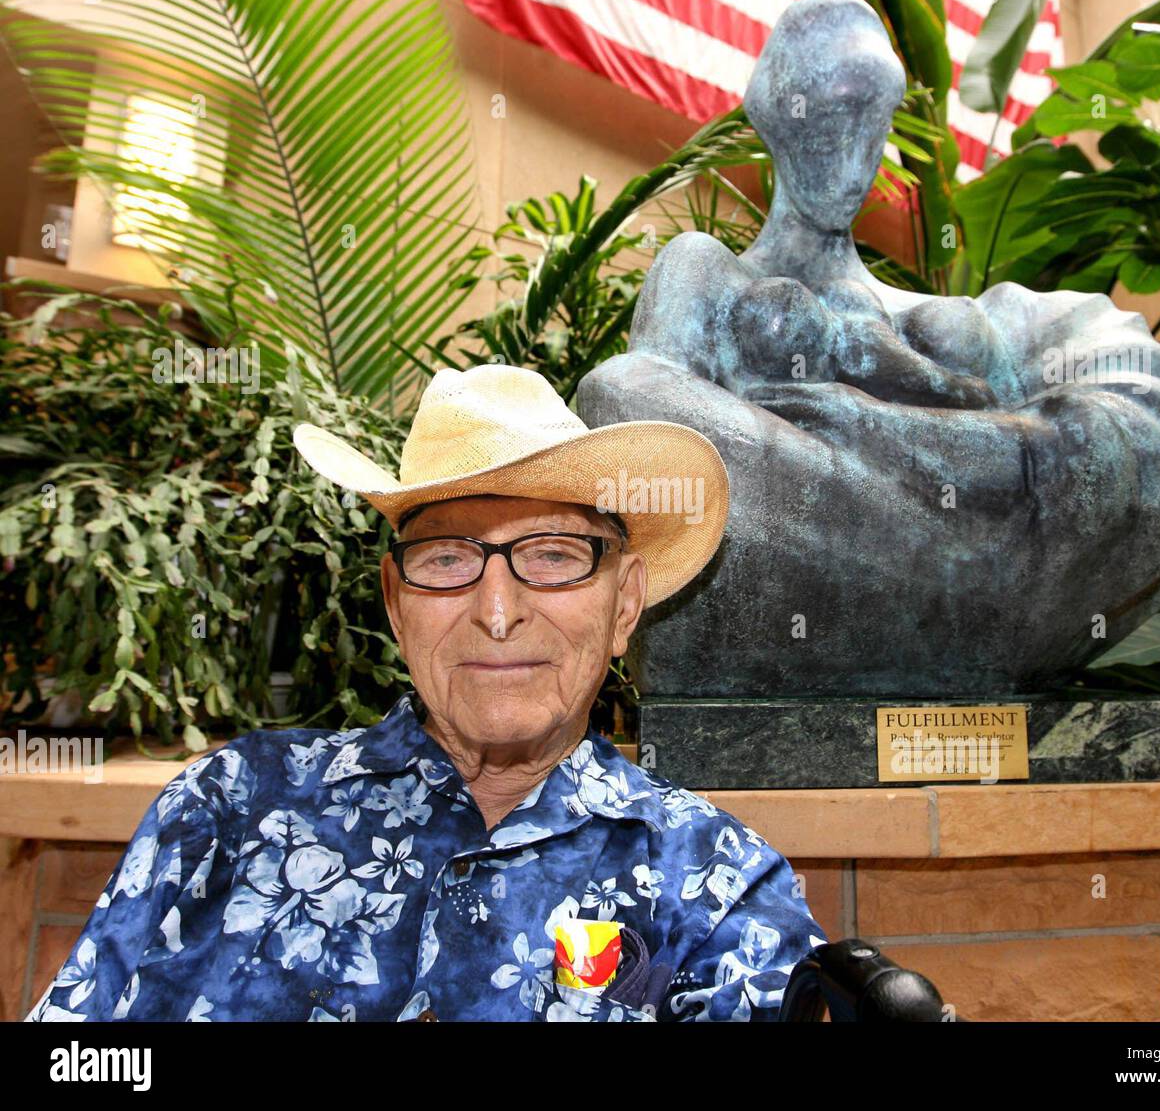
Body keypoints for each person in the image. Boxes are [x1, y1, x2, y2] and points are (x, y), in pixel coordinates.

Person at [27, 363, 827, 1022]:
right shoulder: (226, 810)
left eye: (551, 555)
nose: (499, 612)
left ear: (623, 606)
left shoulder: (716, 885)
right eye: (447, 559)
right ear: (395, 603)